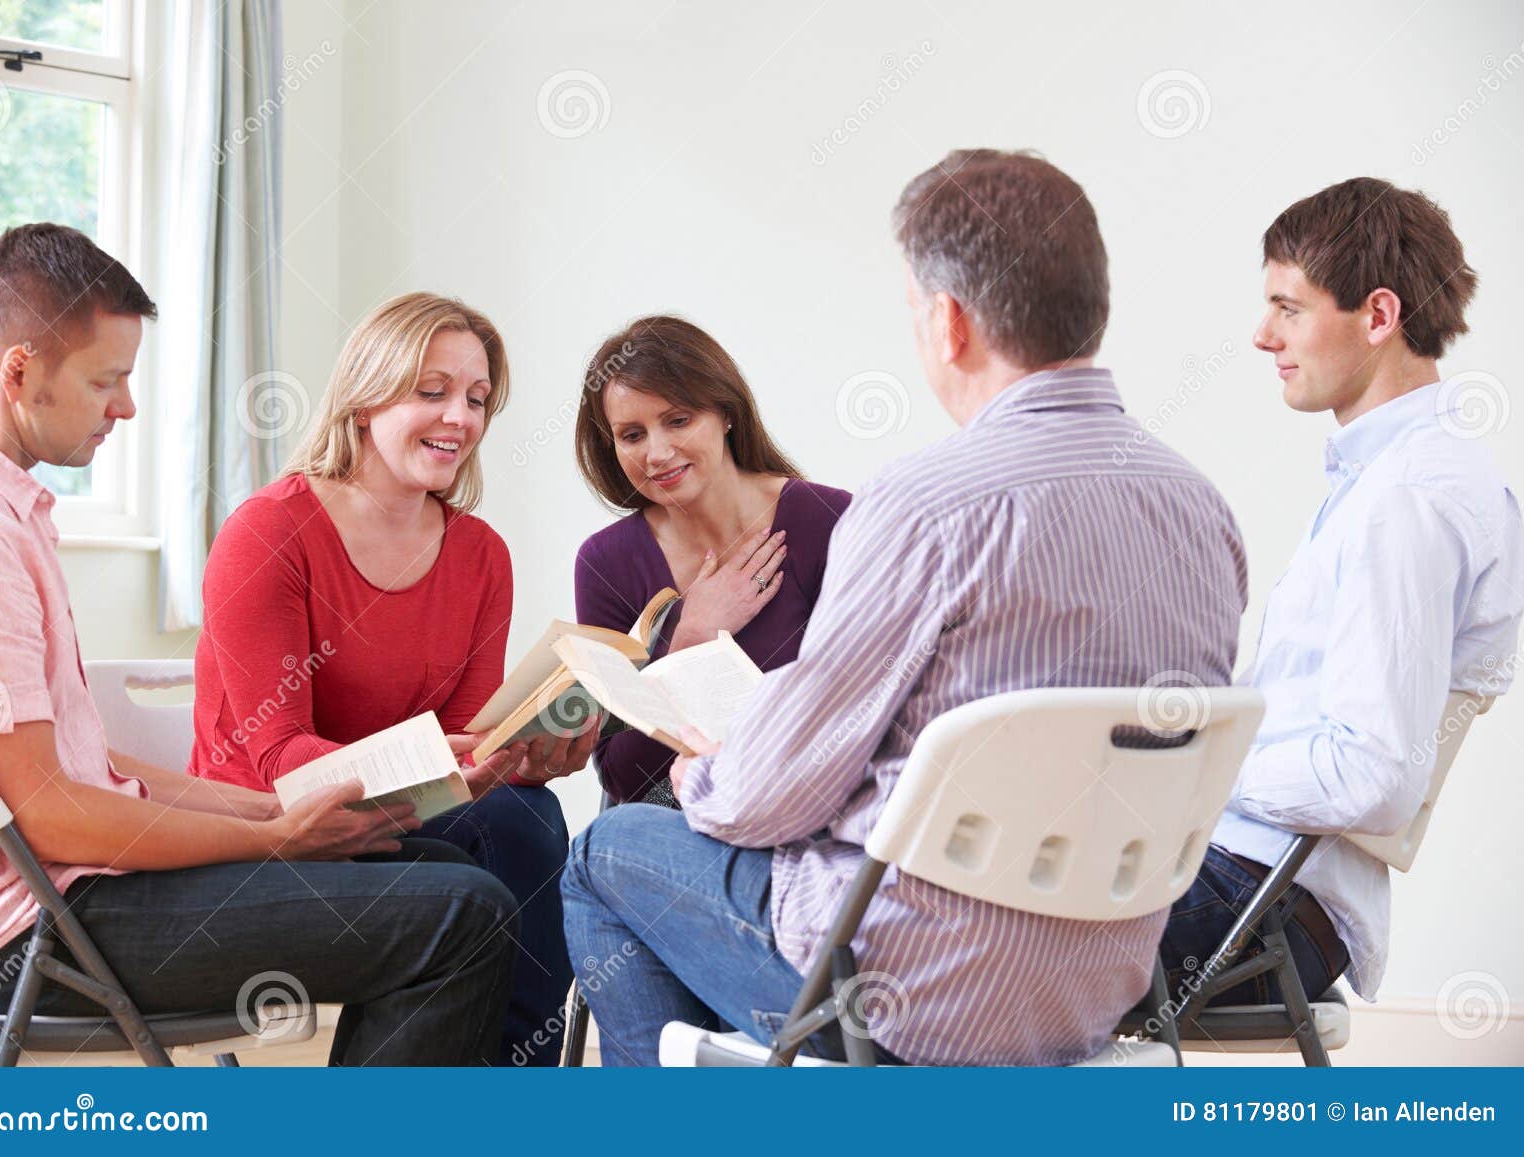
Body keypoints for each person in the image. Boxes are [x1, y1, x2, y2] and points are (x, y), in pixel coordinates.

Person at [560, 150, 1248, 1066]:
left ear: (948, 321)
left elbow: (765, 794)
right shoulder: (1200, 508)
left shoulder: (926, 507)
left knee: (603, 853)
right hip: (1098, 984)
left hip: (902, 992)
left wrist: (702, 779)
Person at [0, 225, 518, 1065]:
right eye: (107, 380)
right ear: (19, 373)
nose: (125, 406)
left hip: (63, 898)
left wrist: (275, 812)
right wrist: (273, 836)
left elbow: (83, 775)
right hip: (21, 936)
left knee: (450, 865)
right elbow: (51, 816)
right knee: (465, 913)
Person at [187, 292, 596, 1066]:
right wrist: (451, 765)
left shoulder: (480, 554)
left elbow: (471, 746)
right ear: (366, 397)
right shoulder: (269, 533)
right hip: (268, 829)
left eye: (477, 399)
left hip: (409, 817)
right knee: (511, 836)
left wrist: (526, 747)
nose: (461, 418)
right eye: (432, 391)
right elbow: (278, 758)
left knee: (524, 812)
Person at [1159, 178, 1524, 1007]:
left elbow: (1374, 774)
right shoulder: (1401, 477)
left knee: (921, 948)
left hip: (1259, 904)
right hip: (1248, 885)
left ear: (1379, 315)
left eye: (1289, 308)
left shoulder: (1408, 498)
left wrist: (1199, 767)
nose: (1262, 335)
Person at [572, 316, 851, 805]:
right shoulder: (605, 563)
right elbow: (623, 779)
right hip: (679, 814)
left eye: (678, 420)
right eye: (631, 435)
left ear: (726, 414)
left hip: (815, 798)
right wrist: (692, 639)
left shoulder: (828, 520)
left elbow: (873, 702)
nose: (657, 453)